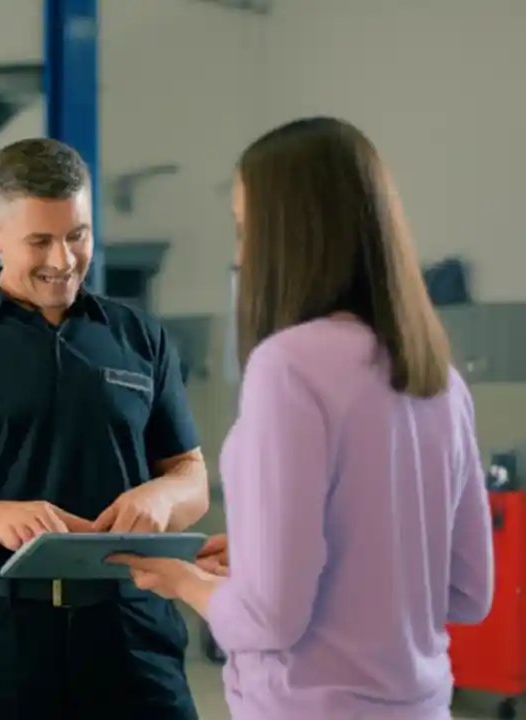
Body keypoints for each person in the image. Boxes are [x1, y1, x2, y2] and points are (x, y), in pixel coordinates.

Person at [110, 117, 495, 719]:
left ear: (287, 236)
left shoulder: (287, 367)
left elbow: (267, 619)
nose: (241, 254)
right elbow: (468, 592)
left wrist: (184, 581)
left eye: (244, 230)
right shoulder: (437, 376)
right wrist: (268, 555)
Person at [0, 137, 209, 720]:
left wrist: (161, 497)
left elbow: (191, 478)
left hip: (132, 635)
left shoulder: (140, 337)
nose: (62, 260)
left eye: (77, 235)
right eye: (40, 241)